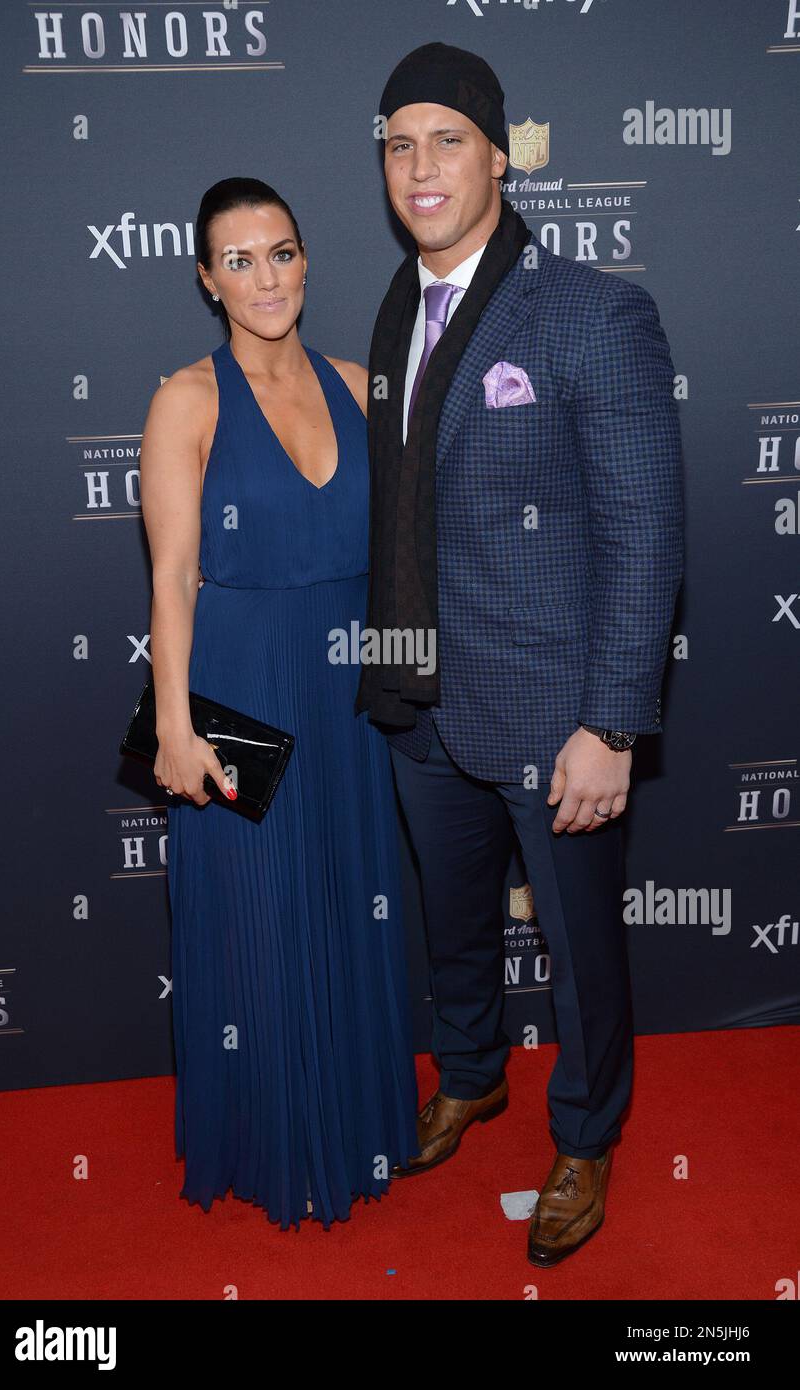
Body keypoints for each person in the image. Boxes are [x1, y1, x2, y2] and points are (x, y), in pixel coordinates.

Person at [356, 44, 684, 1267]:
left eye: (448, 139)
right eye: (400, 143)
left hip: (556, 715)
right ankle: (473, 1075)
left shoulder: (592, 311)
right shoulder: (399, 309)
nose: (421, 165)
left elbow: (646, 529)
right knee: (452, 924)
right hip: (418, 696)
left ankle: (587, 1136)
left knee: (580, 948)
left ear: (500, 154)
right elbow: (401, 507)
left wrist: (612, 720)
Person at [139, 176, 418, 1231]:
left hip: (351, 697)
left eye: (283, 252)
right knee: (259, 922)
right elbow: (170, 576)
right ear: (208, 279)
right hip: (241, 687)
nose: (267, 277)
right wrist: (173, 725)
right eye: (241, 259)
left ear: (308, 260)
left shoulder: (358, 382)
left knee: (348, 907)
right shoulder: (186, 400)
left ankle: (353, 1128)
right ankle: (271, 1139)